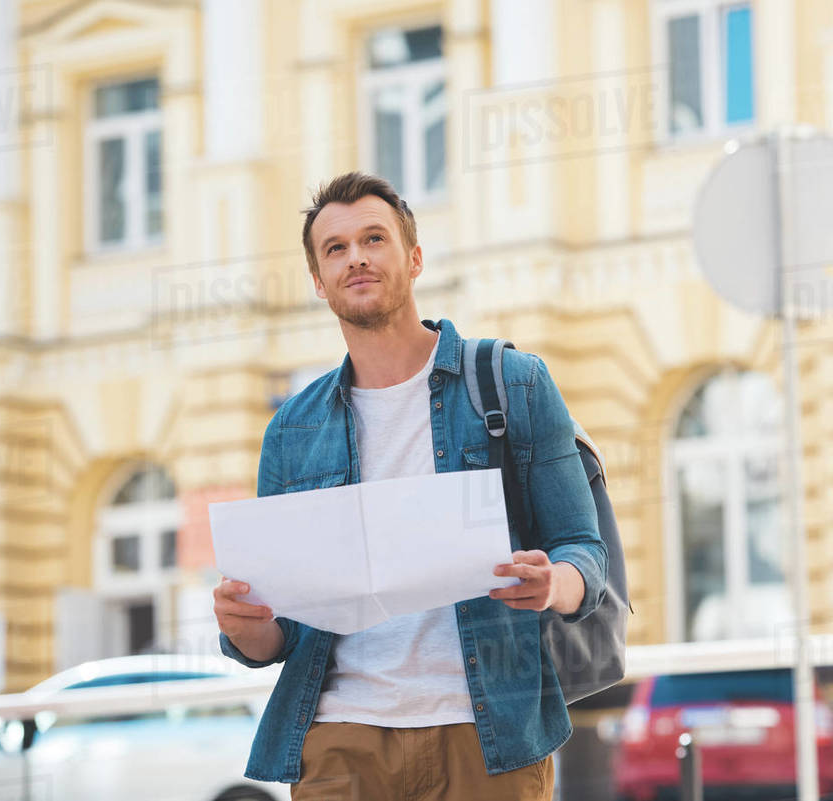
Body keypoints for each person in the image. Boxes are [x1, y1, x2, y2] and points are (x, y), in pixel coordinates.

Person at [211, 171, 606, 801]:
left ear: (414, 257)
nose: (356, 258)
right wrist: (244, 627)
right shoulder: (291, 427)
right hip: (340, 739)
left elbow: (585, 550)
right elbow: (282, 629)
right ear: (318, 279)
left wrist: (550, 583)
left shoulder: (515, 382)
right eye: (335, 248)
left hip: (487, 733)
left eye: (374, 238)